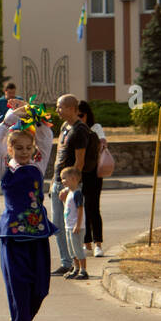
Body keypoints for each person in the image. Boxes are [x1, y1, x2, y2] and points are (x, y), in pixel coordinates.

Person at [0, 101, 56, 321]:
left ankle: (22, 318)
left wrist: (33, 115)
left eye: (28, 147)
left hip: (39, 232)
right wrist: (8, 120)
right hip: (13, 234)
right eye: (19, 148)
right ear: (10, 149)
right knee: (18, 285)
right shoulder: (4, 169)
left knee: (40, 287)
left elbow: (47, 138)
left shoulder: (38, 166)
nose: (25, 151)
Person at [48, 95, 90, 276]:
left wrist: (70, 186)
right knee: (58, 226)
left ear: (72, 108)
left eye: (60, 107)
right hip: (58, 182)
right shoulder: (65, 127)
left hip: (70, 187)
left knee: (71, 227)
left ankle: (76, 265)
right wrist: (54, 180)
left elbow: (79, 161)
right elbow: (59, 155)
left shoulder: (80, 130)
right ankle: (67, 262)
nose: (57, 110)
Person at [76, 100, 105, 259]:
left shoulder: (95, 128)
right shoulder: (72, 128)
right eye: (77, 115)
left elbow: (102, 145)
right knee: (81, 207)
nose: (79, 118)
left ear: (87, 115)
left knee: (93, 207)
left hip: (93, 173)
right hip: (78, 173)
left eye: (81, 115)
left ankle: (98, 243)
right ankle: (86, 242)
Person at [58, 167, 88, 281]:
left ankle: (83, 270)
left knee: (78, 249)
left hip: (76, 227)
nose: (62, 181)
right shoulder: (69, 193)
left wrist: (78, 225)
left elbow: (80, 209)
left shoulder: (77, 193)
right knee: (72, 250)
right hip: (68, 226)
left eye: (64, 178)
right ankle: (76, 268)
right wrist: (63, 200)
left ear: (74, 178)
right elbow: (69, 208)